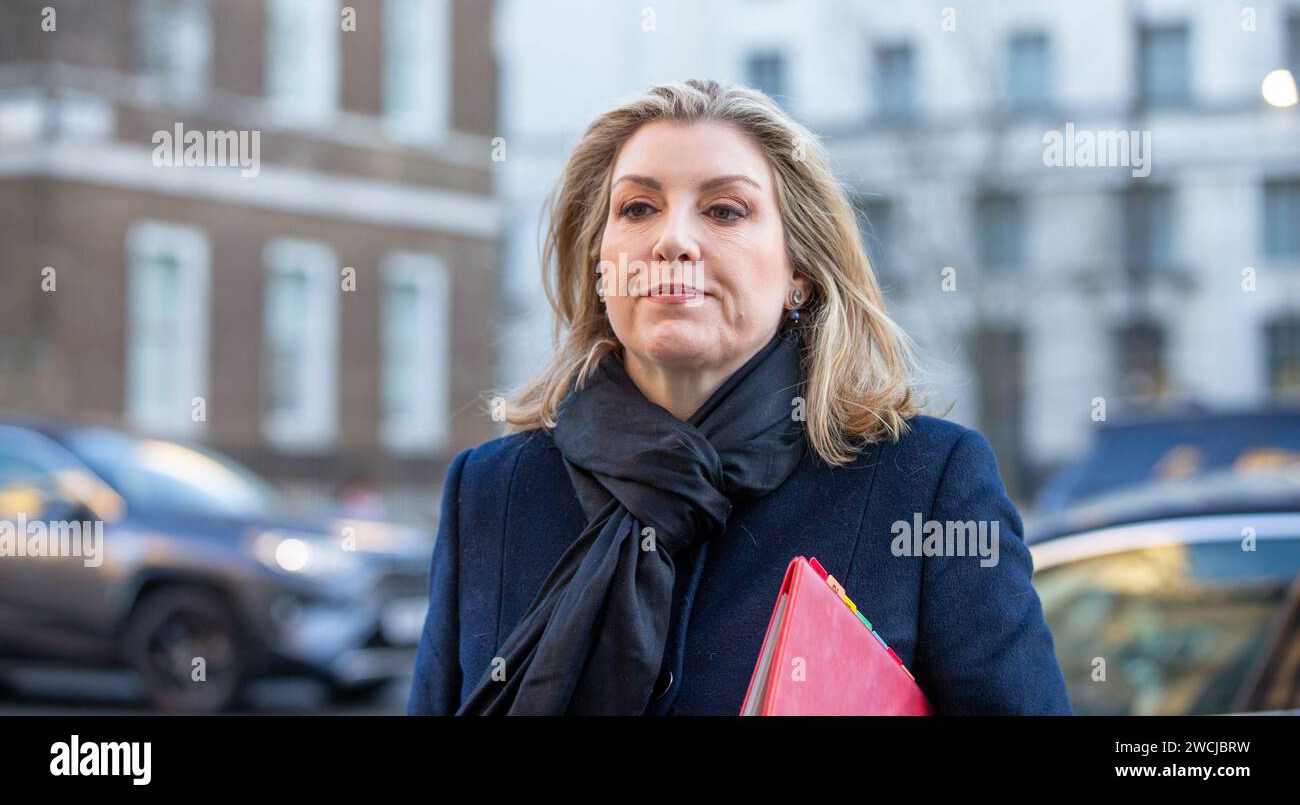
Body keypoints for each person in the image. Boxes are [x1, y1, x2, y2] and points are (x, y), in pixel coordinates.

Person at [408, 79, 1073, 715]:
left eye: (725, 209)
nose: (671, 240)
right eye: (638, 208)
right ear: (599, 263)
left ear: (800, 275)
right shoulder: (492, 492)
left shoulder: (929, 482)